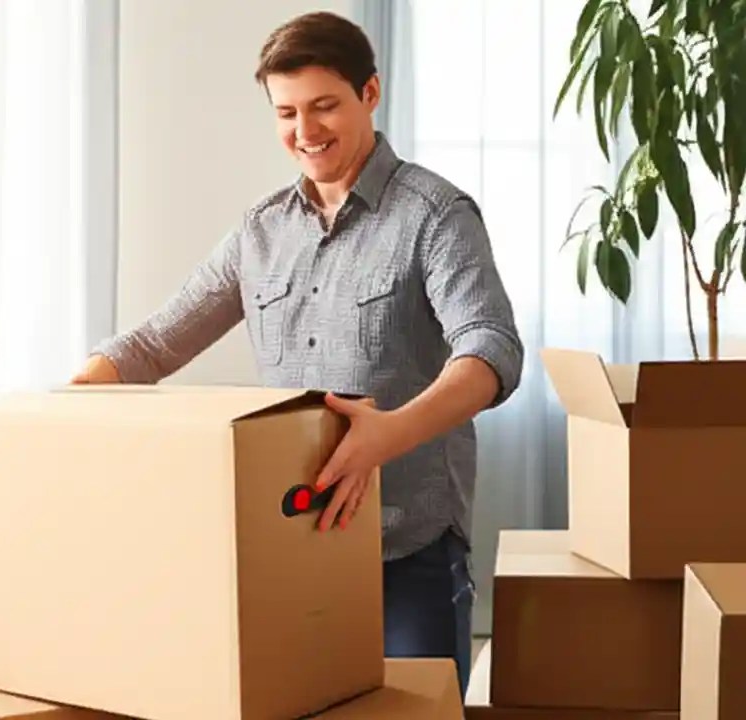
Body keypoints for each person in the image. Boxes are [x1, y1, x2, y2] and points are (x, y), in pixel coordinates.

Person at [71, 11, 523, 696]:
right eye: (286, 113)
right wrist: (61, 406)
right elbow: (152, 344)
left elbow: (491, 348)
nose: (305, 133)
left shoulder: (436, 215)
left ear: (370, 94)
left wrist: (390, 433)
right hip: (288, 552)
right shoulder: (260, 232)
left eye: (324, 107)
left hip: (409, 552)